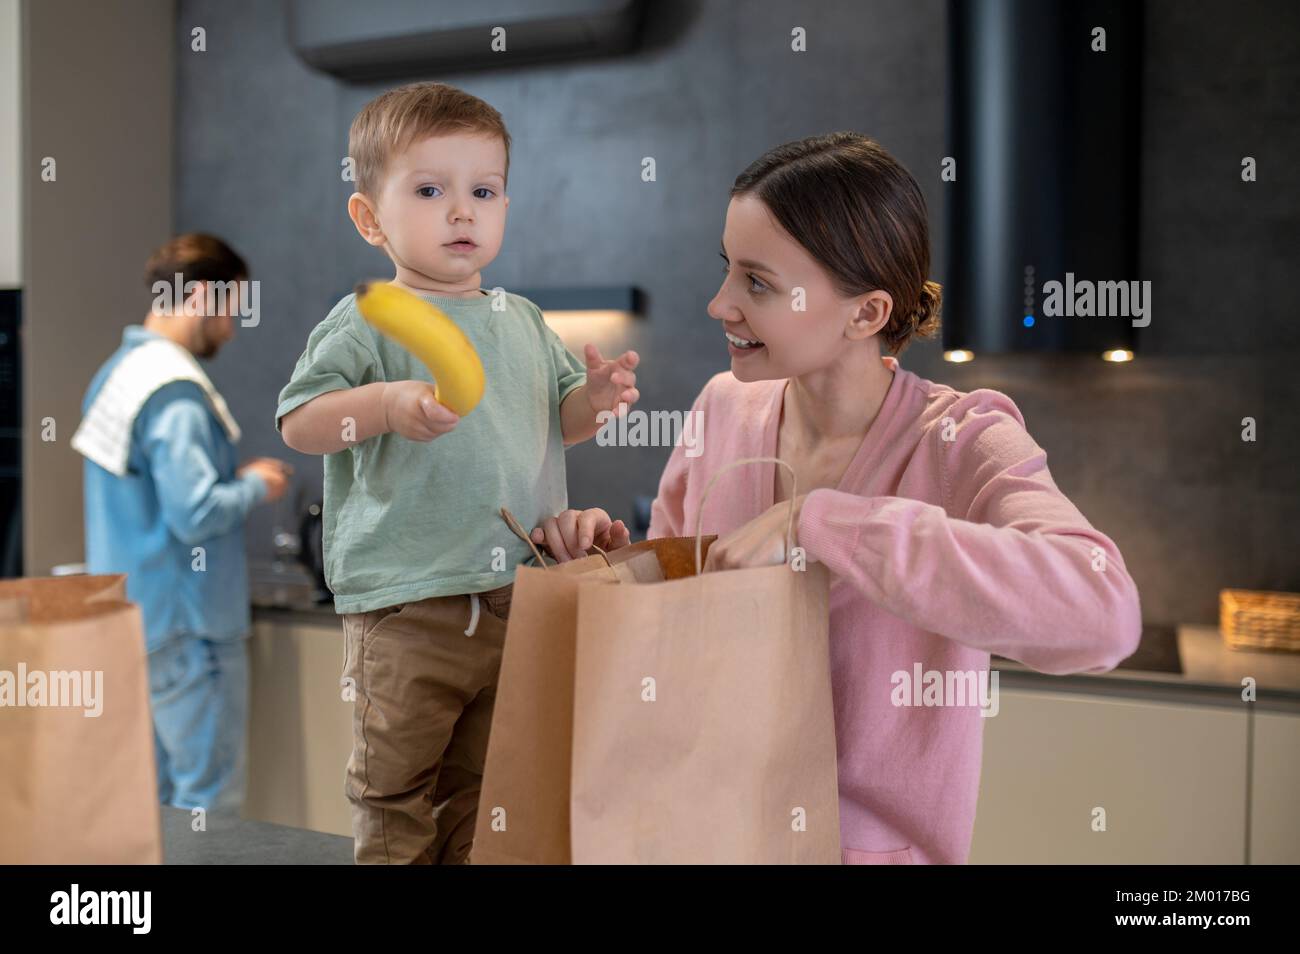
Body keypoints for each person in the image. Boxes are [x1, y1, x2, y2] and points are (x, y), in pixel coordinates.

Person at [529, 132, 1143, 864]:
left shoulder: (961, 441)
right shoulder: (722, 408)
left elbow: (1105, 614)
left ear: (865, 313)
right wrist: (611, 558)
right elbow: (672, 614)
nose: (718, 303)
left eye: (757, 282)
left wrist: (822, 523)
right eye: (726, 269)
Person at [276, 82, 640, 864]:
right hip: (407, 604)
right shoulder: (370, 318)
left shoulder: (524, 320)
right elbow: (302, 423)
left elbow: (559, 422)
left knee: (486, 785)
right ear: (370, 217)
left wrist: (598, 400)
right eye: (431, 190)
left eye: (485, 190)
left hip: (517, 595)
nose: (462, 211)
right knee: (395, 785)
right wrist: (383, 403)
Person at [74, 233, 289, 815]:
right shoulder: (175, 391)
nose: (233, 328)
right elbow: (194, 514)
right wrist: (255, 485)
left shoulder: (118, 375)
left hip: (139, 620)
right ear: (199, 297)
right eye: (232, 309)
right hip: (192, 628)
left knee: (159, 805)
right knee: (208, 805)